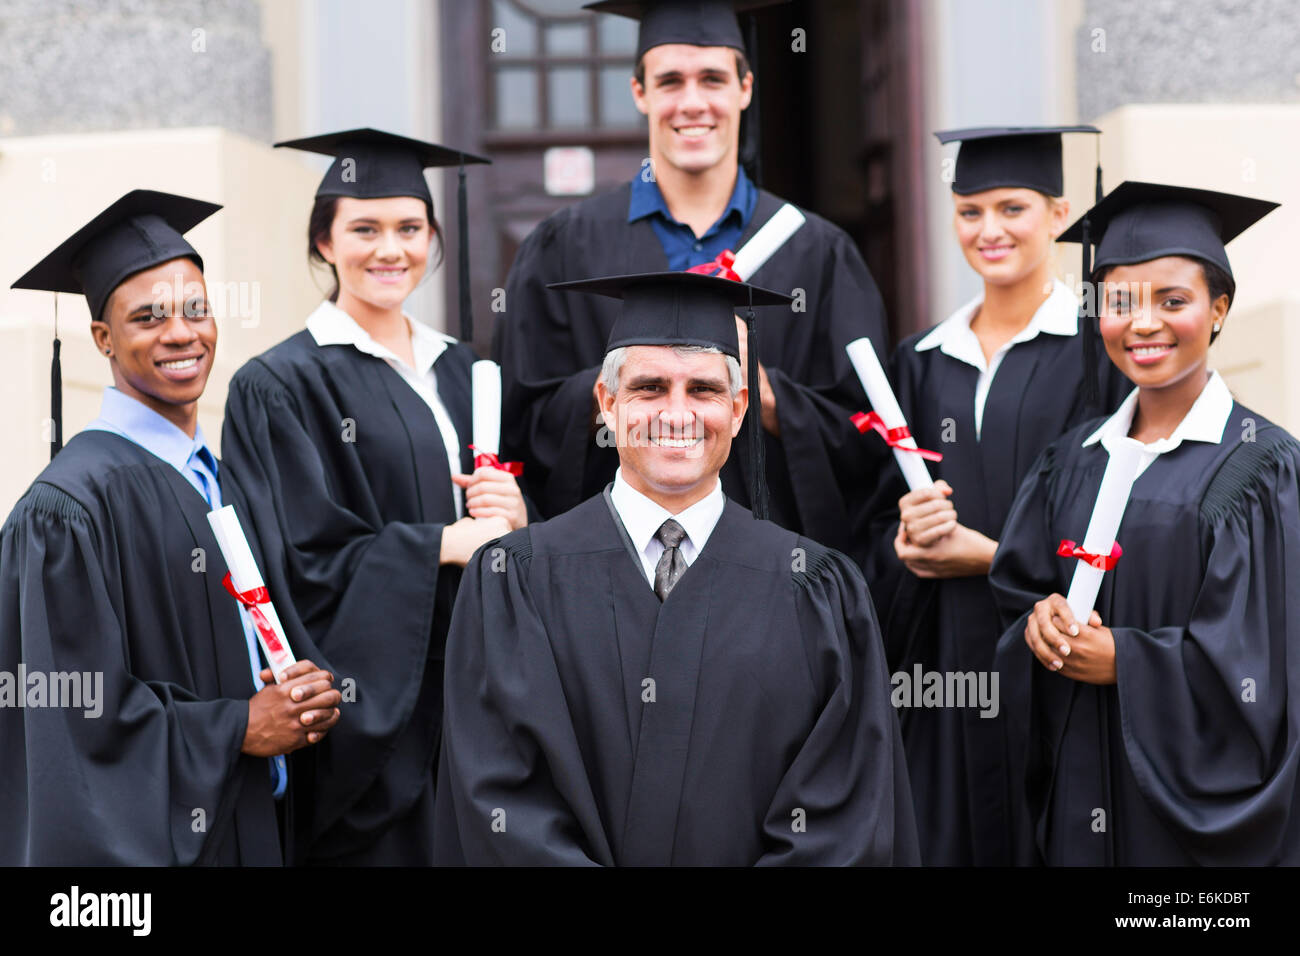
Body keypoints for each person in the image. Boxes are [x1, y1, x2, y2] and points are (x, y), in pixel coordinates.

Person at [434, 271, 918, 866]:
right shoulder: (515, 581)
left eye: (705, 390)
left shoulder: (817, 590)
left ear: (739, 410)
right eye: (650, 388)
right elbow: (496, 798)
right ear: (608, 405)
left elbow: (844, 814)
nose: (677, 413)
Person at [1, 190, 340, 865]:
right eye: (148, 318)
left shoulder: (214, 477)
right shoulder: (66, 510)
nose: (182, 333)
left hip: (251, 823)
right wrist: (237, 727)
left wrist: (300, 693)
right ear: (104, 338)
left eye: (197, 309)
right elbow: (74, 720)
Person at [222, 129, 529, 865]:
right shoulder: (281, 383)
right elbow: (297, 559)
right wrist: (439, 546)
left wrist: (518, 519)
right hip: (379, 725)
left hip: (478, 702)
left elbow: (509, 540)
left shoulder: (464, 369)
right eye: (364, 229)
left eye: (408, 229)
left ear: (432, 239)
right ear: (324, 243)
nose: (390, 249)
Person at [495, 0, 892, 567]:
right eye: (670, 81)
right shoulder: (564, 247)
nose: (692, 103)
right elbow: (521, 428)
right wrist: (629, 380)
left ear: (746, 87)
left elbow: (869, 442)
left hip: (777, 584)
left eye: (712, 79)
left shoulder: (818, 253)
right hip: (604, 583)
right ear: (639, 92)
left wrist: (761, 391)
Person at [990, 181, 1300, 865]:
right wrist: (1038, 626)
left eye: (1173, 301)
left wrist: (1127, 663)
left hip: (1184, 831)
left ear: (1218, 310)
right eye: (1120, 302)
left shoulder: (1260, 469)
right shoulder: (1069, 462)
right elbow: (1016, 600)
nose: (1143, 323)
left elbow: (1269, 669)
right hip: (1078, 798)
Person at [865, 127, 1132, 866]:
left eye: (1012, 208)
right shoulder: (917, 363)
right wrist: (904, 542)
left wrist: (990, 557)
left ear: (1059, 214)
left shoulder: (1099, 353)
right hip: (942, 672)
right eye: (969, 211)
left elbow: (1128, 515)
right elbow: (870, 520)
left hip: (1054, 664)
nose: (989, 230)